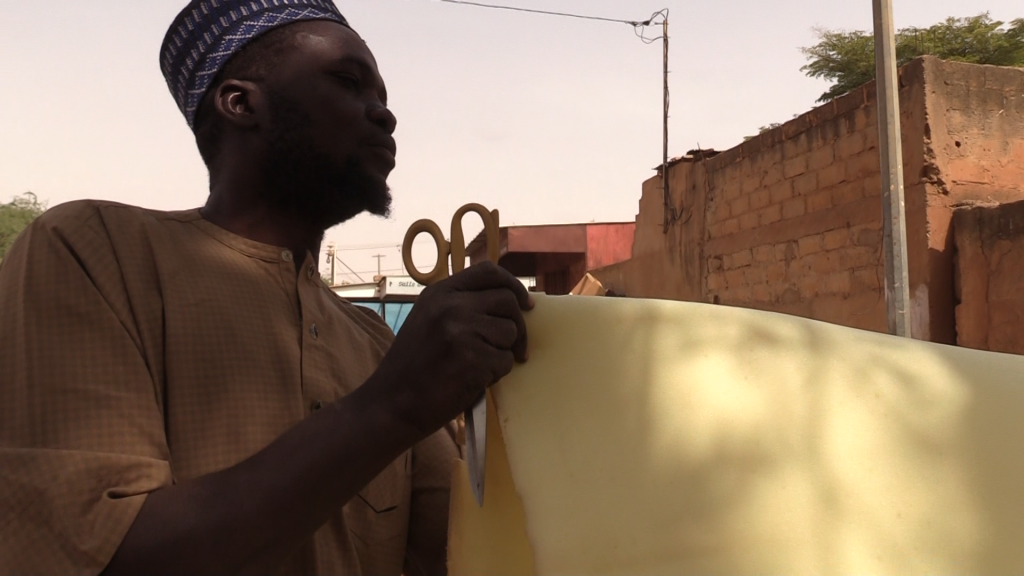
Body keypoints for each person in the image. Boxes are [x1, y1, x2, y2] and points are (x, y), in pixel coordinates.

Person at [0, 1, 532, 575]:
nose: (385, 116)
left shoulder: (375, 342)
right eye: (349, 83)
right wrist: (393, 404)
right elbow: (98, 553)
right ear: (241, 103)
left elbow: (468, 552)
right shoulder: (94, 250)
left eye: (383, 96)